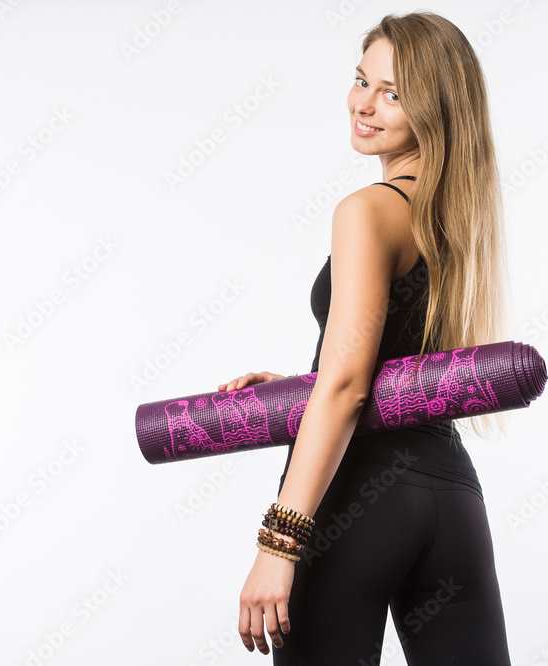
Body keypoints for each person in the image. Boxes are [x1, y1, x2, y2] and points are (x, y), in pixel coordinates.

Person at [218, 11, 512, 664]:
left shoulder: (367, 210)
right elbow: (383, 358)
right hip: (450, 504)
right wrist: (303, 386)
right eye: (361, 81)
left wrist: (279, 542)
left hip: (358, 500)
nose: (364, 104)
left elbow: (350, 386)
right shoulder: (452, 216)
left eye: (394, 92)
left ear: (434, 108)